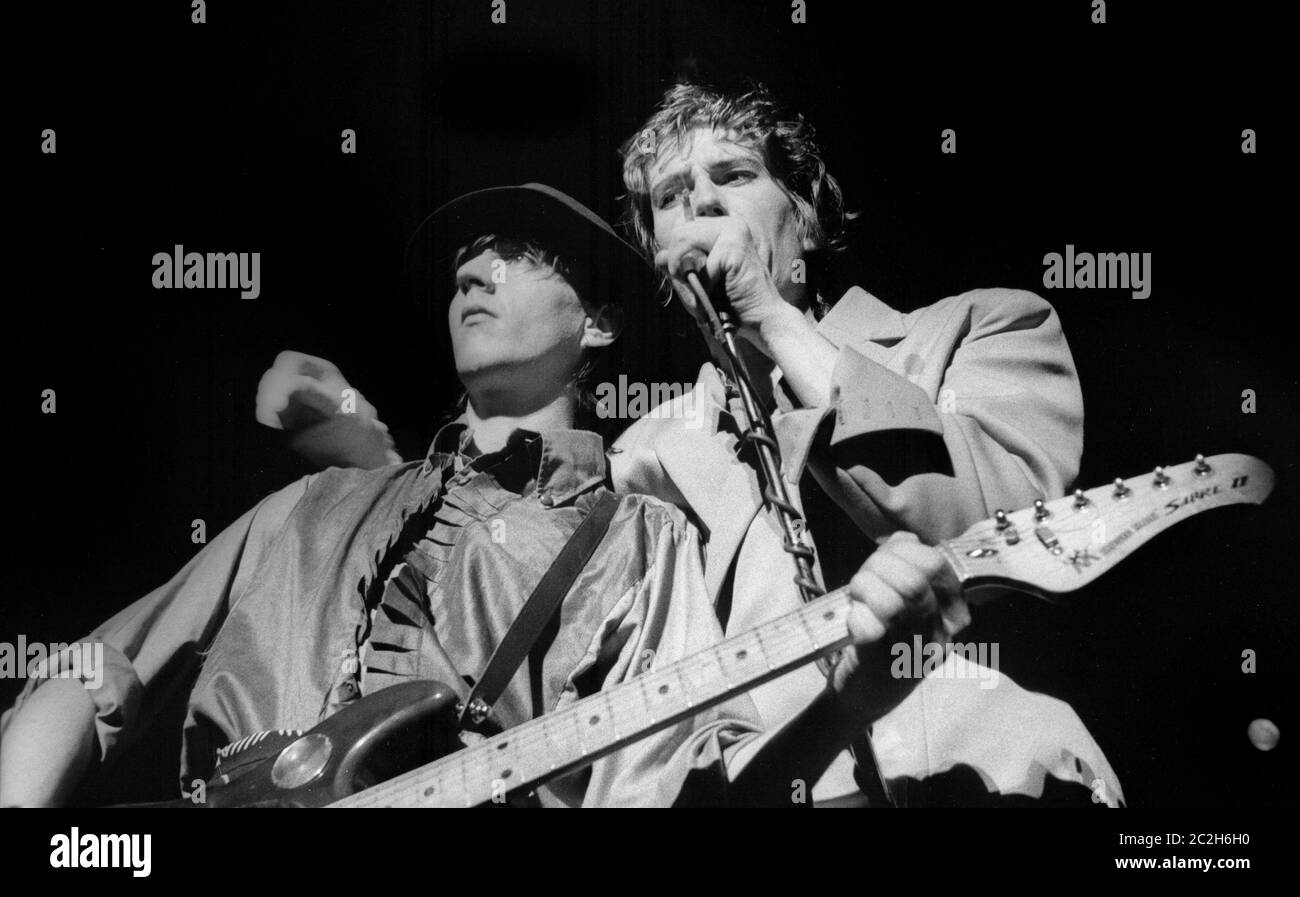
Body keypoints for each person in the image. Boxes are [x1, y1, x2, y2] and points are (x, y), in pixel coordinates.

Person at [262, 84, 1125, 807]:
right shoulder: (644, 448)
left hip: (980, 770)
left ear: (810, 219)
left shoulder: (982, 328)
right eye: (670, 197)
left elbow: (985, 517)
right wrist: (367, 460)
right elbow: (492, 569)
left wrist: (775, 319)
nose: (699, 203)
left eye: (733, 176)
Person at [0, 184, 958, 808]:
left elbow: (664, 794)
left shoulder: (640, 539)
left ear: (600, 324)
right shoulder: (313, 504)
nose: (472, 271)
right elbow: (90, 673)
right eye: (467, 259)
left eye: (518, 255)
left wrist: (849, 702)